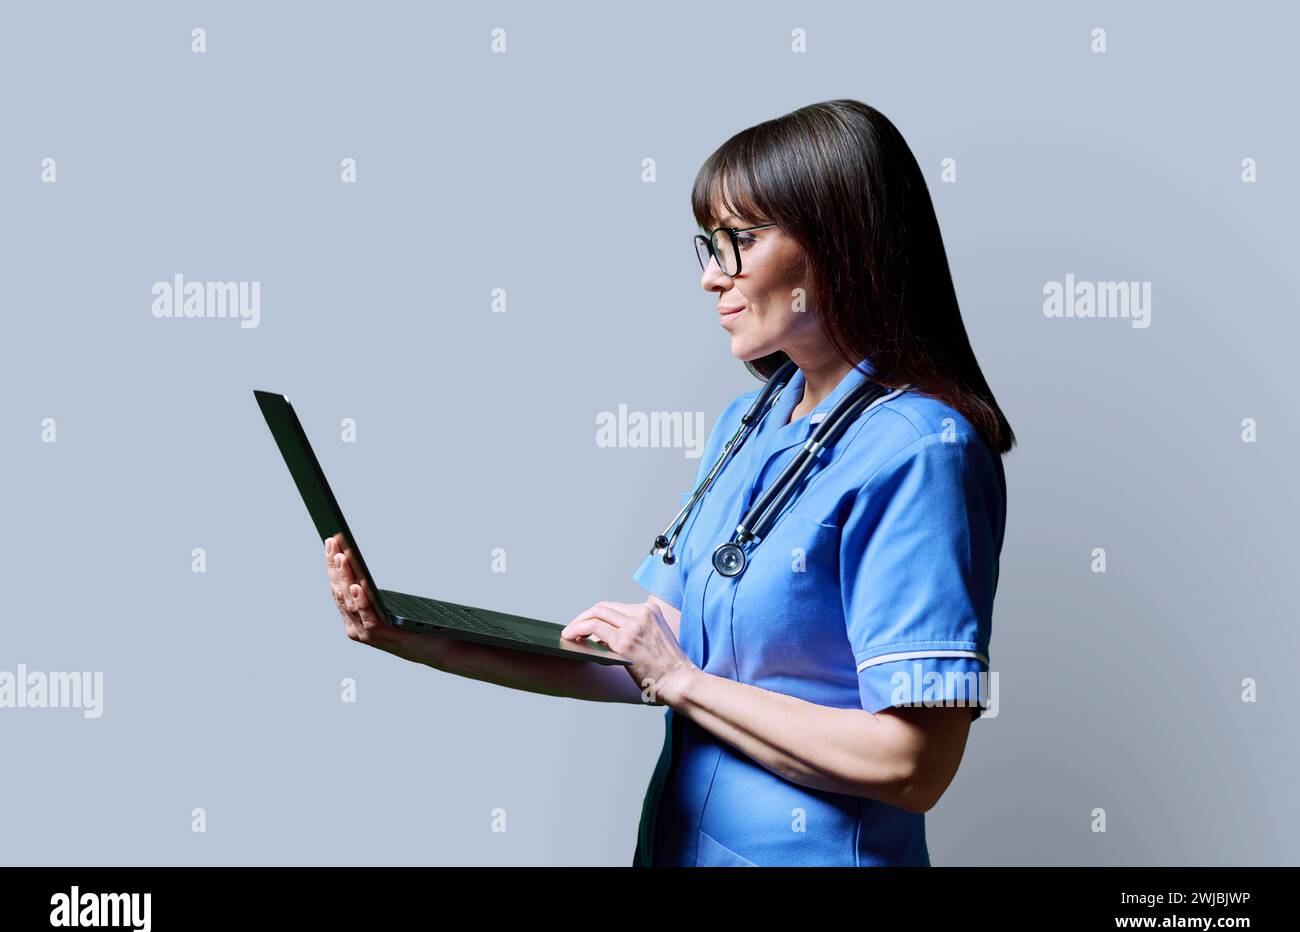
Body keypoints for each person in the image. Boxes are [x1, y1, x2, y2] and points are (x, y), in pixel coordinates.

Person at [323, 98, 1014, 867]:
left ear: (841, 245)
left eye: (741, 241)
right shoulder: (749, 422)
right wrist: (416, 637)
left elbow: (912, 766)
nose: (713, 277)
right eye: (709, 245)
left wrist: (683, 682)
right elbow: (641, 661)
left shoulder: (922, 451)